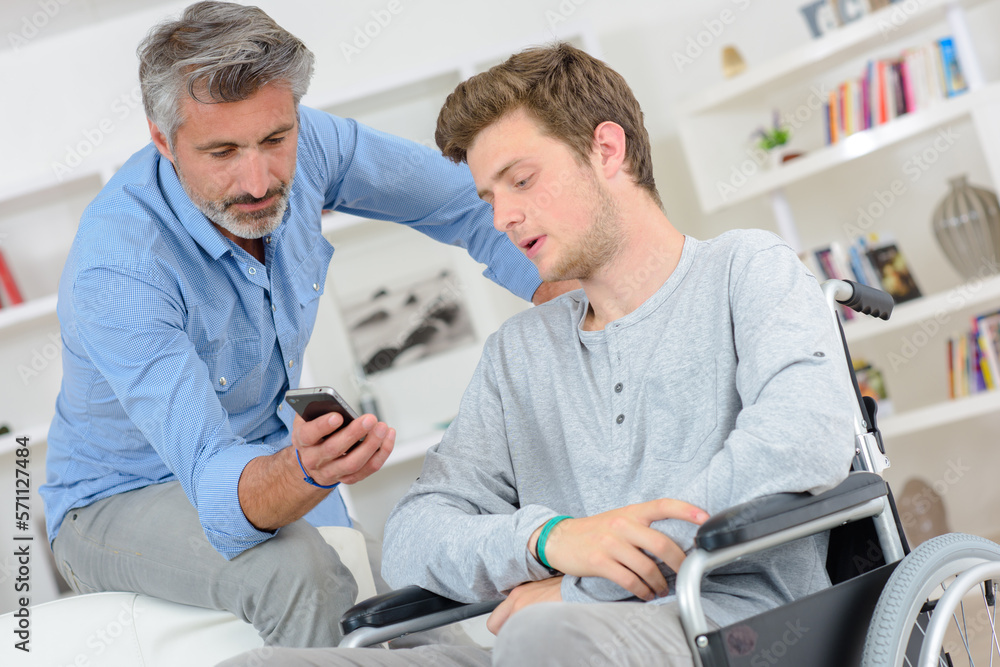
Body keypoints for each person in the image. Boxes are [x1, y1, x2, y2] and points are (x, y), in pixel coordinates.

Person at [223, 42, 858, 667]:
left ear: (606, 150)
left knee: (546, 638)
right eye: (487, 198)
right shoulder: (519, 353)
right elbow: (415, 534)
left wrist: (588, 586)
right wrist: (549, 540)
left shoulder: (745, 269)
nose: (502, 218)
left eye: (521, 181)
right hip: (546, 642)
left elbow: (799, 440)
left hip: (721, 628)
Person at [39, 1, 570, 649]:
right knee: (301, 573)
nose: (258, 179)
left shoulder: (311, 141)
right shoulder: (119, 269)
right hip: (116, 499)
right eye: (222, 151)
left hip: (266, 449)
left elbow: (464, 200)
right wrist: (306, 470)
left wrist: (573, 293)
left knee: (418, 610)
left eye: (274, 139)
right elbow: (211, 476)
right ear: (163, 140)